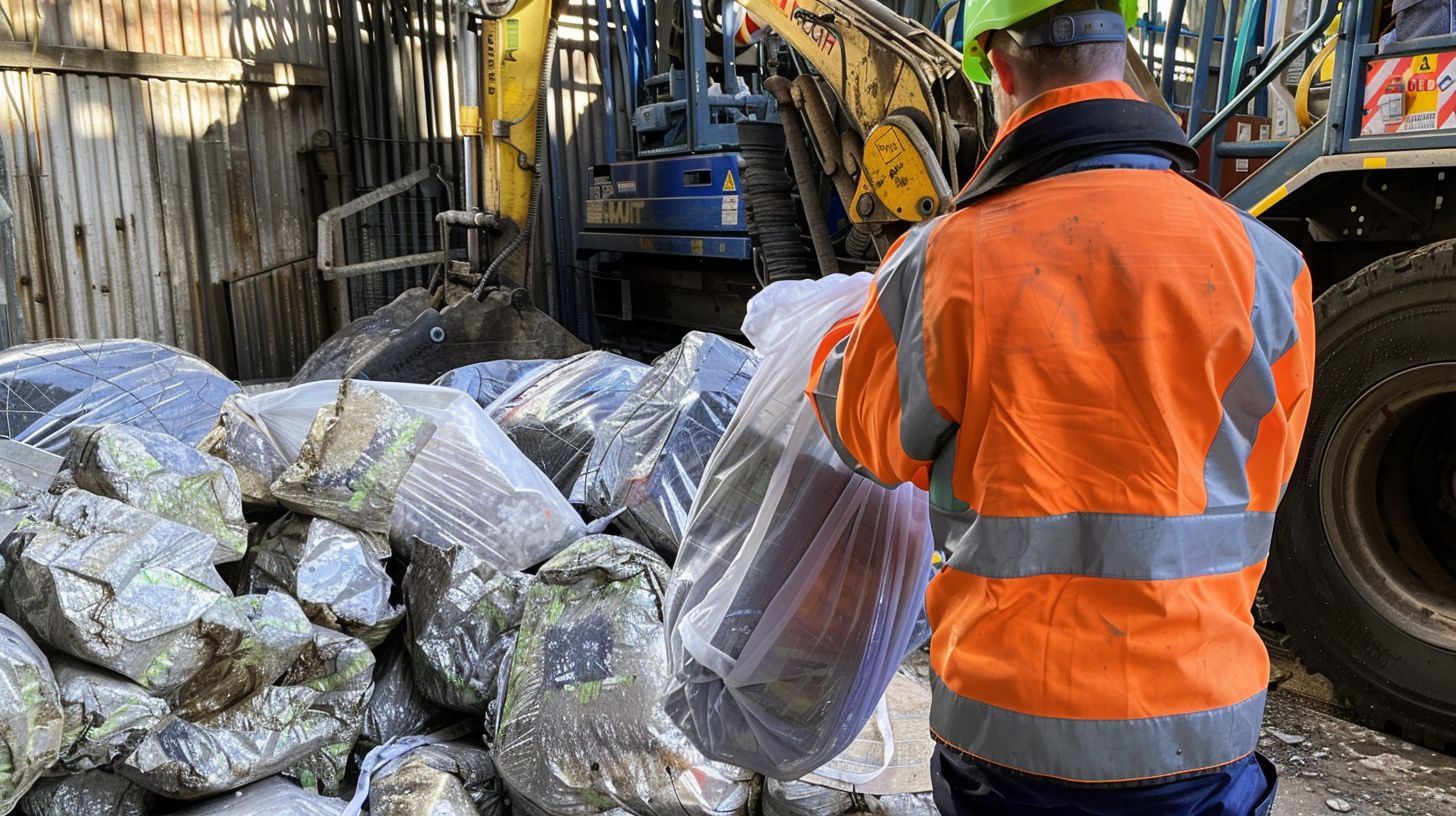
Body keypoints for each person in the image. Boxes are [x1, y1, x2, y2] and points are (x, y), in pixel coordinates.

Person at [804, 0, 1316, 813]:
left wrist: (841, 338)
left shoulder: (944, 262)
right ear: (1121, 48)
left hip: (1008, 737)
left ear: (1001, 70)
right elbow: (1265, 476)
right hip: (1200, 728)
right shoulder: (1269, 266)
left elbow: (872, 439)